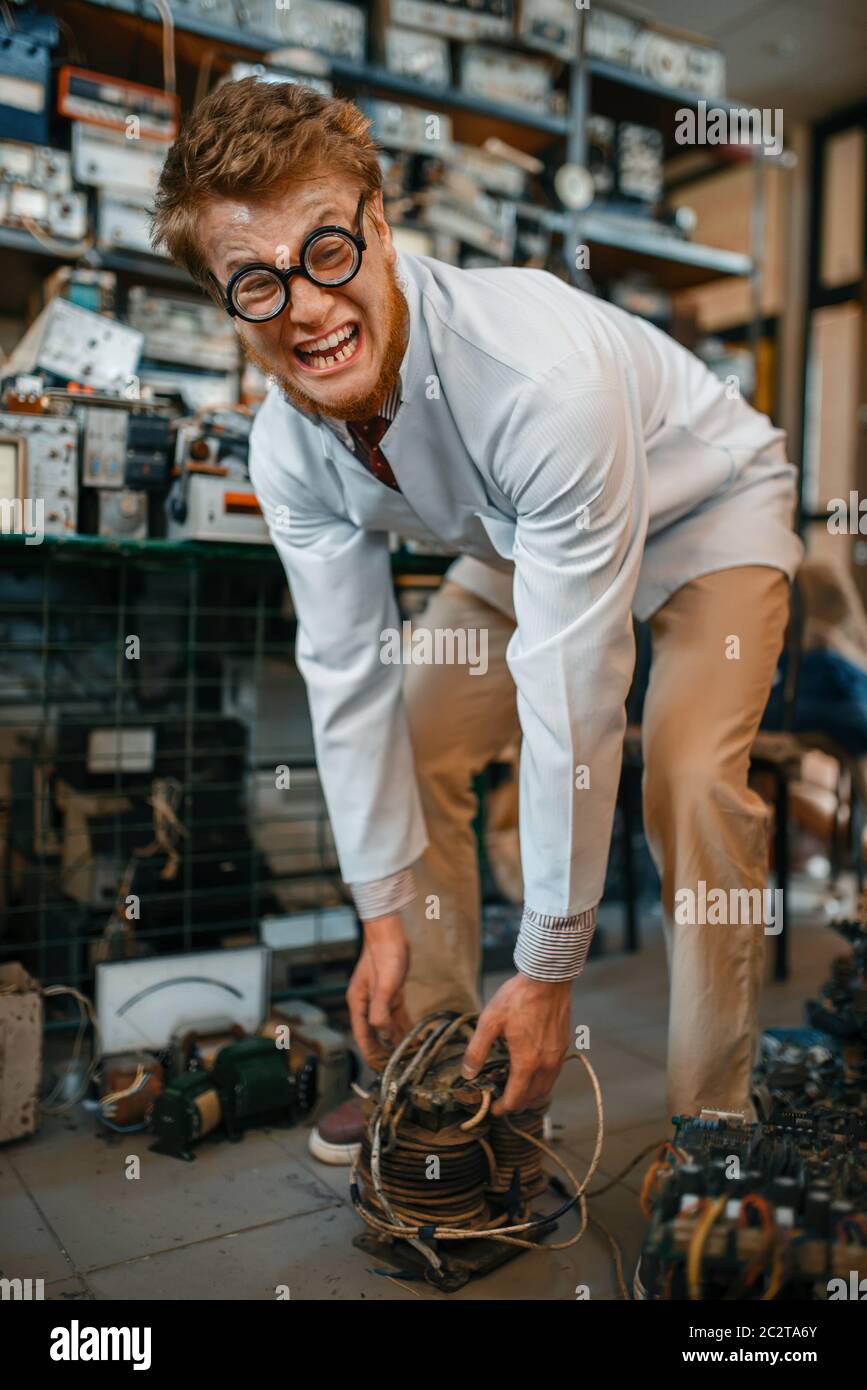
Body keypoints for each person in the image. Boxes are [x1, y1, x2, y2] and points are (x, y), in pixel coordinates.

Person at [153, 78, 803, 1163]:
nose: (305, 308)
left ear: (382, 223)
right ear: (225, 305)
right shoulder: (286, 448)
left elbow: (572, 693)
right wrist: (379, 914)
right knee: (419, 737)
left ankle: (712, 1120)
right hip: (524, 535)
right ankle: (450, 1056)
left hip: (707, 514)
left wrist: (549, 964)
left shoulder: (538, 378)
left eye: (325, 250)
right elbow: (345, 672)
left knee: (687, 777)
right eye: (254, 284)